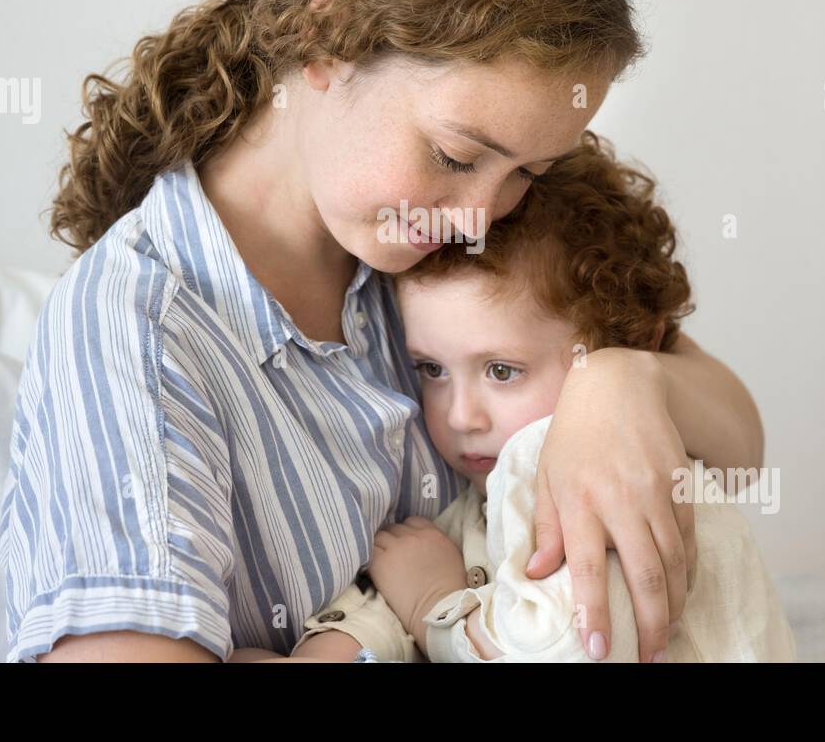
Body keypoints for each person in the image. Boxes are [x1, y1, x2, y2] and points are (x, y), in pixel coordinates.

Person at [0, 0, 764, 665]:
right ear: (327, 38)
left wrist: (619, 381)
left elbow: (740, 441)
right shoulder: (139, 333)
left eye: (526, 172)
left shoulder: (445, 234)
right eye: (455, 156)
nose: (480, 218)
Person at [284, 131, 796, 662]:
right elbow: (406, 575)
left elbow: (558, 649)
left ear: (626, 343)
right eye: (432, 369)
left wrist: (435, 602)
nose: (461, 416)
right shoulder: (483, 489)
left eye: (503, 371)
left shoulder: (606, 475)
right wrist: (333, 648)